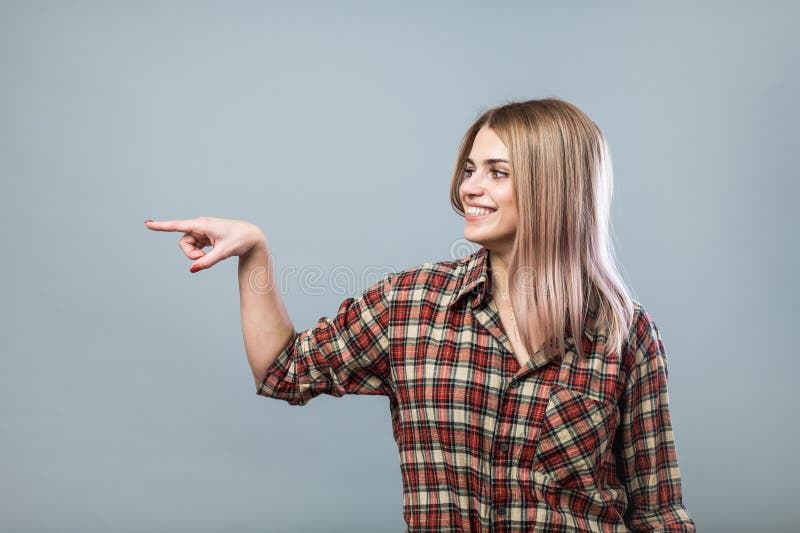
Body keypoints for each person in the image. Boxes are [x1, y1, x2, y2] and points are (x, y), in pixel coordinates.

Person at [145, 98, 696, 532]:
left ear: (555, 187)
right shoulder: (411, 305)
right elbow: (282, 370)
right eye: (471, 169)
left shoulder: (626, 332)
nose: (470, 187)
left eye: (497, 172)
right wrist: (254, 255)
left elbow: (658, 513)